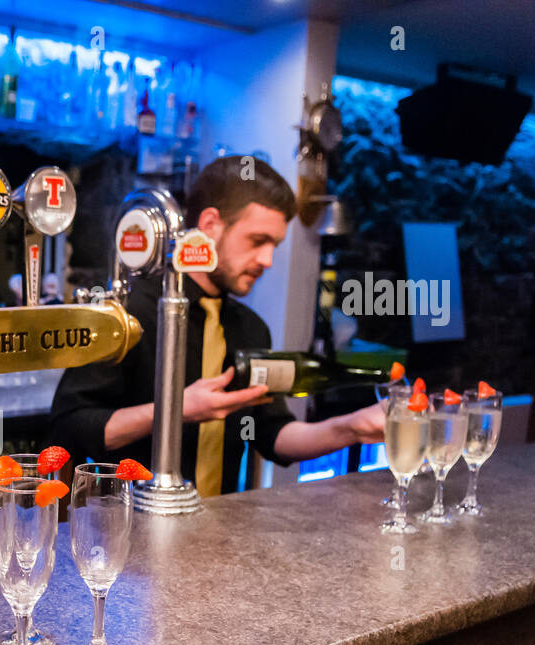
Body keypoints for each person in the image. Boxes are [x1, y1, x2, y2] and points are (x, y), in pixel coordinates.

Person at [49, 156, 384, 495]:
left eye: (275, 246)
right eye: (258, 240)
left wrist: (351, 427)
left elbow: (272, 434)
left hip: (215, 528)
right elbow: (71, 427)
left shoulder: (251, 328)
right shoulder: (127, 316)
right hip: (127, 526)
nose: (268, 260)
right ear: (210, 225)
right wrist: (175, 409)